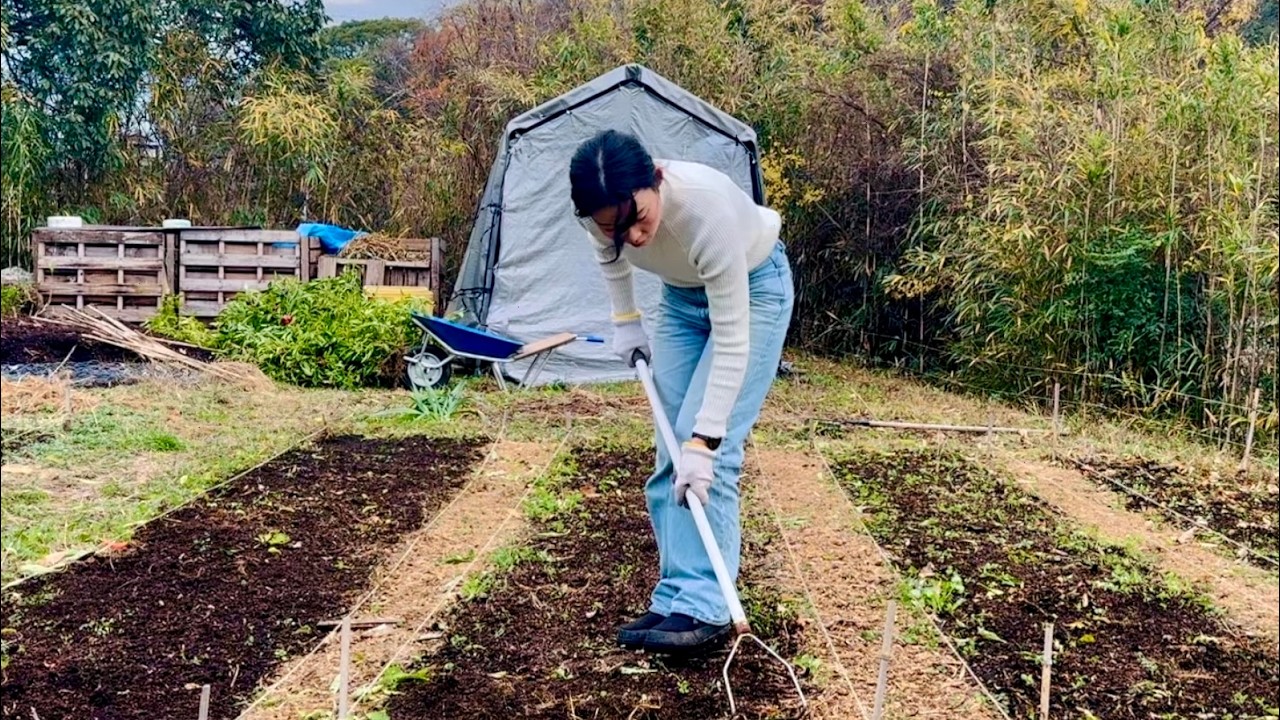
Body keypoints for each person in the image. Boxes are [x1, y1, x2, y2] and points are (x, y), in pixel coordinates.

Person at [568, 129, 795, 657]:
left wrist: (706, 441)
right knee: (671, 449)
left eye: (639, 220)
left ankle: (709, 607)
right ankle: (677, 594)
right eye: (615, 229)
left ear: (658, 180)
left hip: (754, 292)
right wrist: (627, 322)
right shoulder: (598, 212)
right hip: (680, 300)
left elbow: (734, 338)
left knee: (707, 451)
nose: (632, 237)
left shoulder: (704, 208)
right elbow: (610, 261)